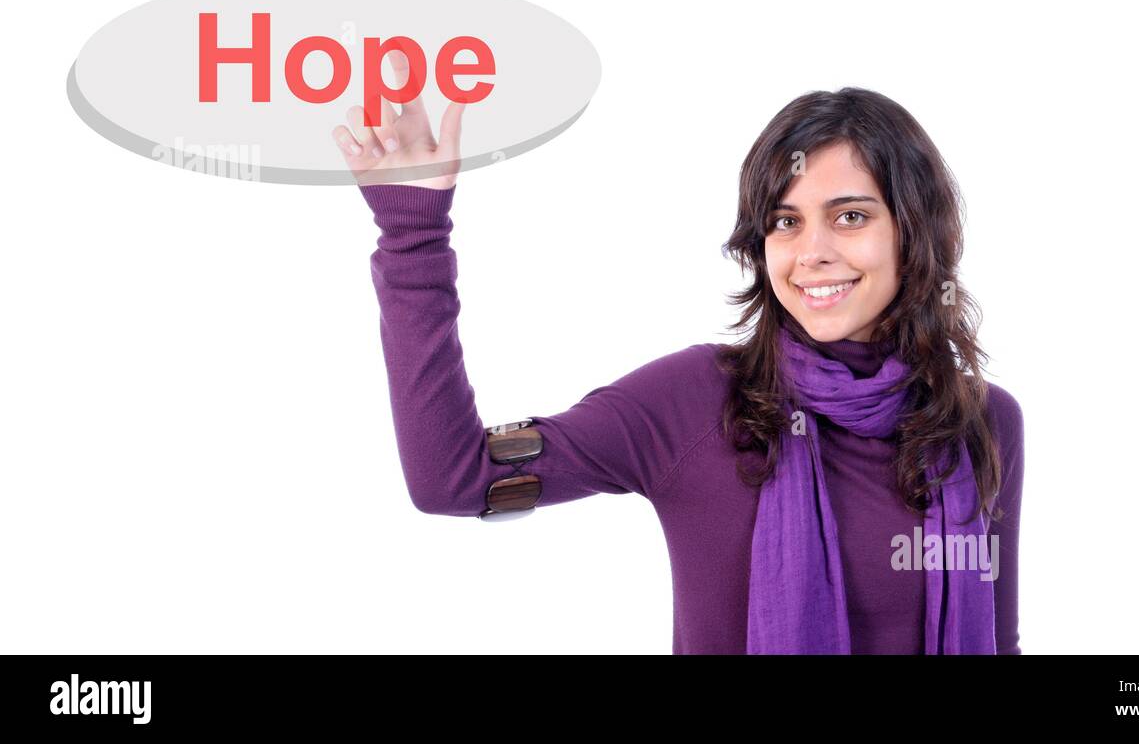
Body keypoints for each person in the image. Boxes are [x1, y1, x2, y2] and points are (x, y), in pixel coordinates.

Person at [332, 64, 1025, 655]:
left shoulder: (984, 422)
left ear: (915, 230)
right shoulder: (697, 401)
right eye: (785, 221)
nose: (812, 252)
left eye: (850, 216)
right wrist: (413, 235)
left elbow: (999, 639)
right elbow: (456, 479)